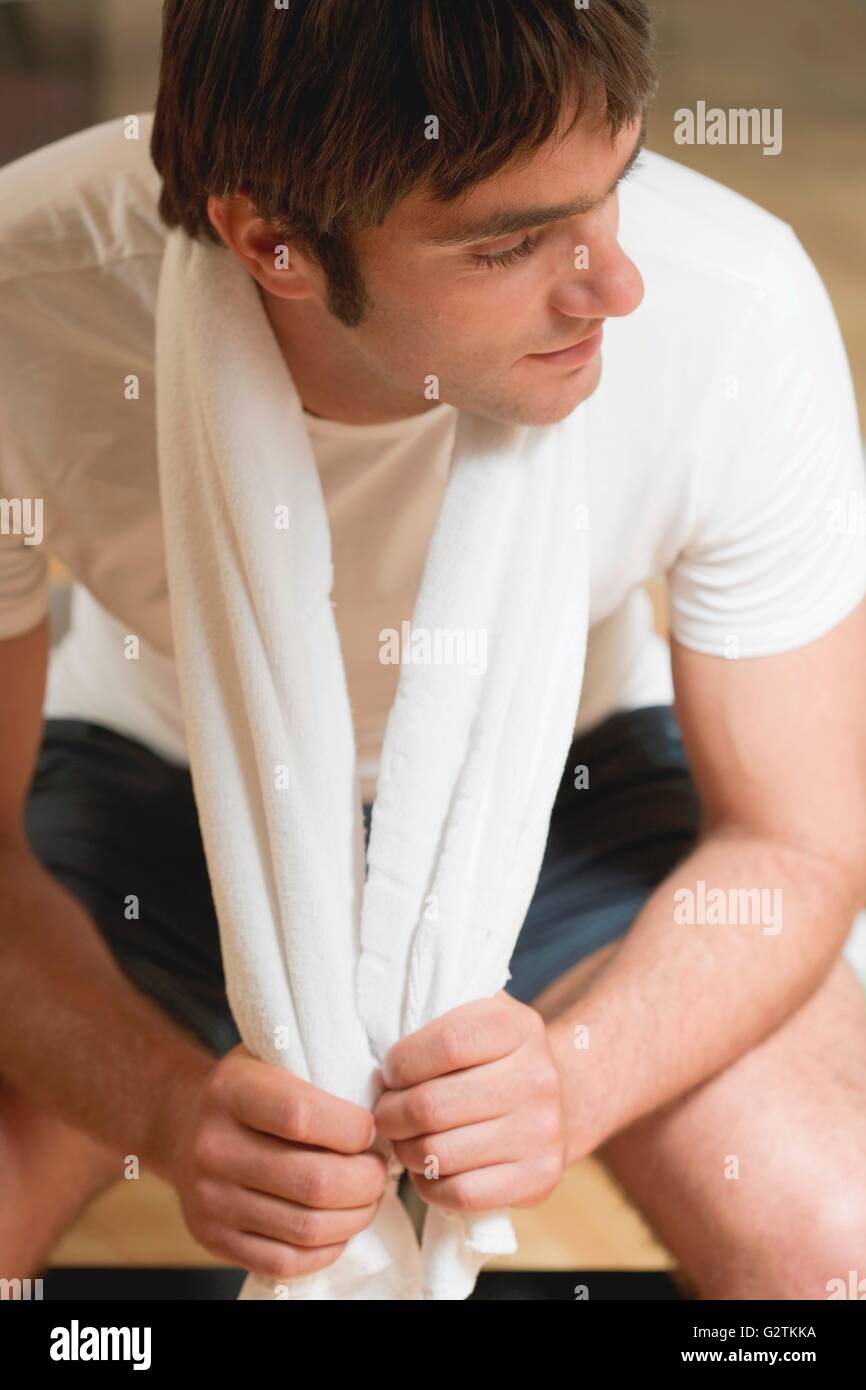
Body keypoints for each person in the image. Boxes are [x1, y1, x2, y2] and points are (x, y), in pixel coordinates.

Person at [2, 0, 866, 1300]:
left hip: (570, 774)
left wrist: (570, 1081)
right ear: (268, 240)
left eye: (612, 182)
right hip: (156, 771)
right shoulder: (27, 308)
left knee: (837, 1245)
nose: (612, 285)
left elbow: (796, 842)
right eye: (514, 242)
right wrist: (170, 1108)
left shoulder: (730, 304)